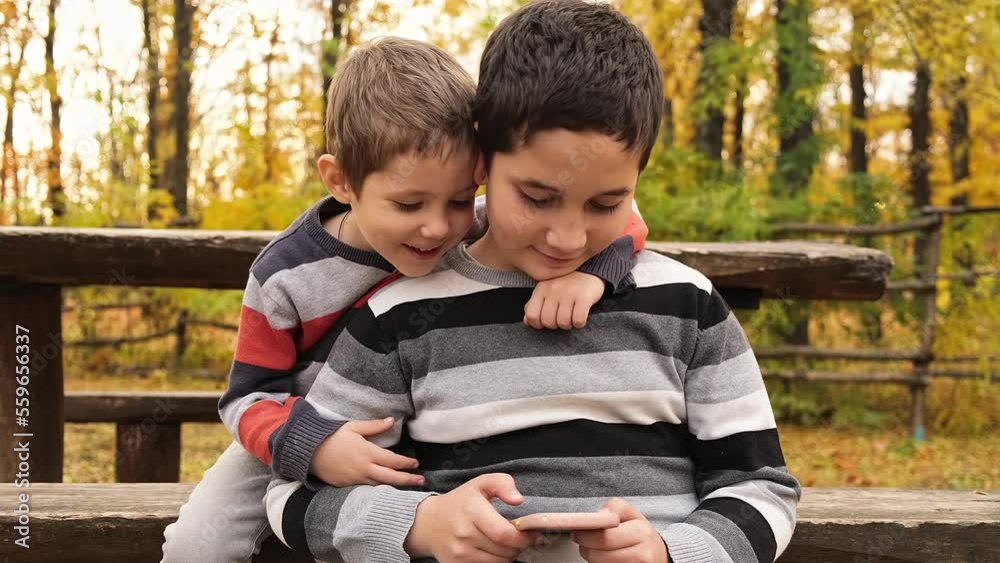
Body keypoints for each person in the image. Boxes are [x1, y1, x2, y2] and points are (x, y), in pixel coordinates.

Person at [264, 2, 800, 562]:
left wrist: (671, 554)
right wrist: (420, 524)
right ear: (481, 159)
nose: (567, 238)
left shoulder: (687, 307)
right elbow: (294, 498)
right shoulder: (396, 317)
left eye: (606, 202)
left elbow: (762, 488)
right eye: (537, 198)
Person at [160, 36, 647, 562]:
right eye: (408, 203)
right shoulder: (287, 275)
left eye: (460, 199)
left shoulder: (482, 225)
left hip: (421, 424)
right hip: (300, 436)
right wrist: (315, 444)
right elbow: (247, 396)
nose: (437, 227)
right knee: (195, 545)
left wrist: (593, 275)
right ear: (340, 180)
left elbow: (626, 220)